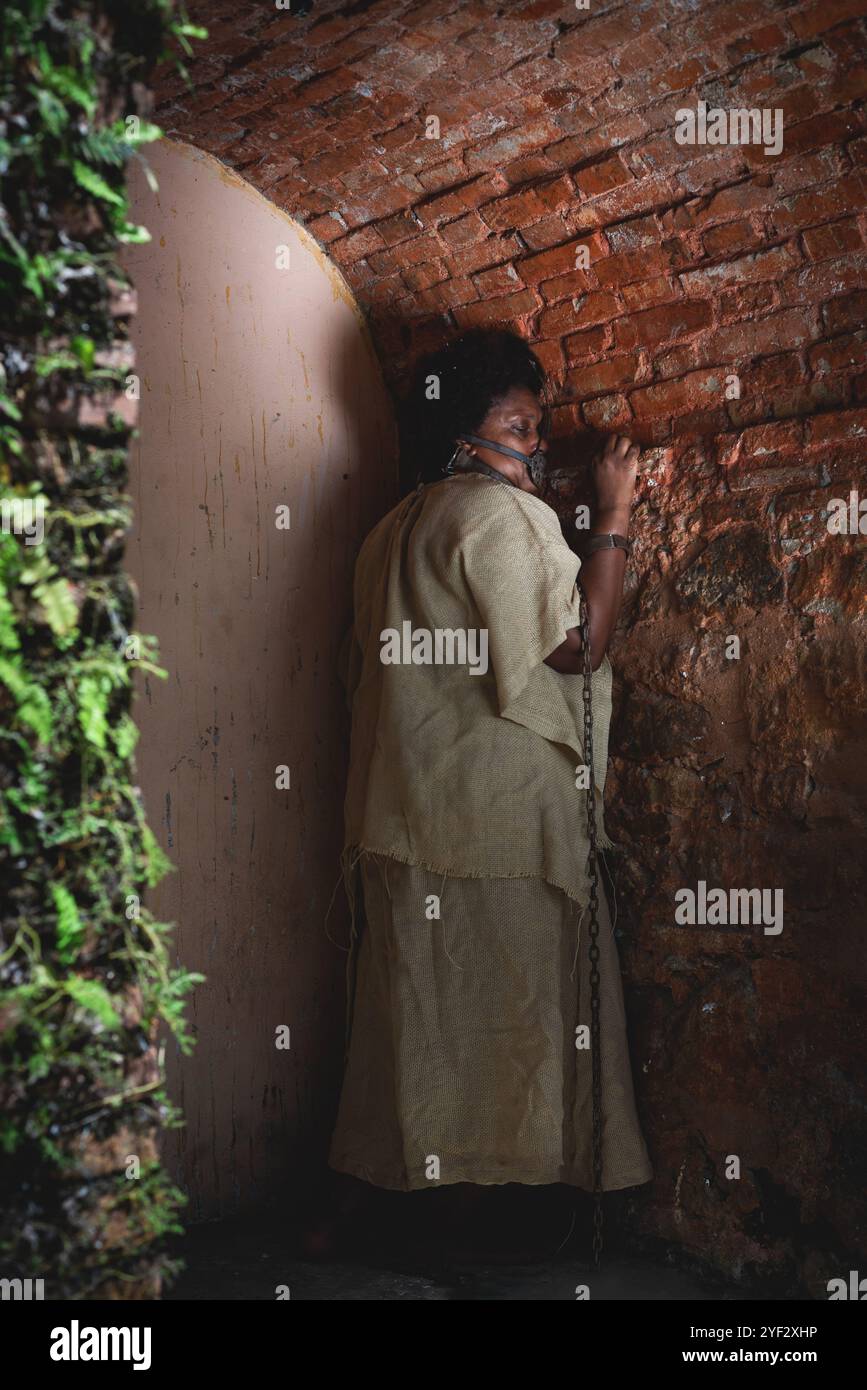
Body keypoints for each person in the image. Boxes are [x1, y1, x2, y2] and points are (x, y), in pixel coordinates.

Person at [307, 328, 651, 1260]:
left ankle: (355, 1210)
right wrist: (612, 514)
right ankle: (461, 1234)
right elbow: (577, 643)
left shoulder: (390, 529)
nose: (535, 443)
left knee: (410, 1030)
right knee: (498, 1032)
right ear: (465, 438)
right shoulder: (498, 516)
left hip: (402, 821)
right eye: (518, 424)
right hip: (493, 829)